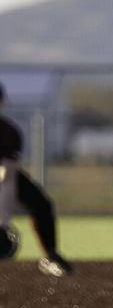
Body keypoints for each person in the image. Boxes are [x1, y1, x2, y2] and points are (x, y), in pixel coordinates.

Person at [0, 80, 75, 277]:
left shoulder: (8, 132)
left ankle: (51, 255)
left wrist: (3, 223)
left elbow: (6, 175)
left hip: (4, 176)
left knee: (41, 204)